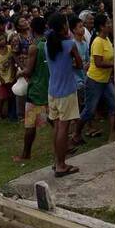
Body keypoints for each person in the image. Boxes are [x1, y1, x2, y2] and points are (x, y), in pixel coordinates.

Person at [45, 13, 83, 177]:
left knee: (57, 125)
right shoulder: (69, 44)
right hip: (66, 91)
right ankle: (61, 164)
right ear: (63, 27)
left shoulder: (48, 44)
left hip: (53, 90)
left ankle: (57, 161)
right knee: (64, 128)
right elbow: (79, 63)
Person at [74, 13, 115, 146]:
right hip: (95, 81)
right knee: (89, 110)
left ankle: (113, 135)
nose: (110, 25)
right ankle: (76, 134)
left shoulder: (107, 39)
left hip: (106, 80)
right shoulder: (97, 42)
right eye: (108, 23)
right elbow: (98, 63)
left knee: (114, 106)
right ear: (102, 27)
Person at [13, 16, 50, 164]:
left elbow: (28, 70)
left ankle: (25, 154)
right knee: (54, 119)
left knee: (30, 124)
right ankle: (67, 143)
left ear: (32, 29)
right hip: (48, 85)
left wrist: (19, 73)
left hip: (36, 89)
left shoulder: (34, 47)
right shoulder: (47, 43)